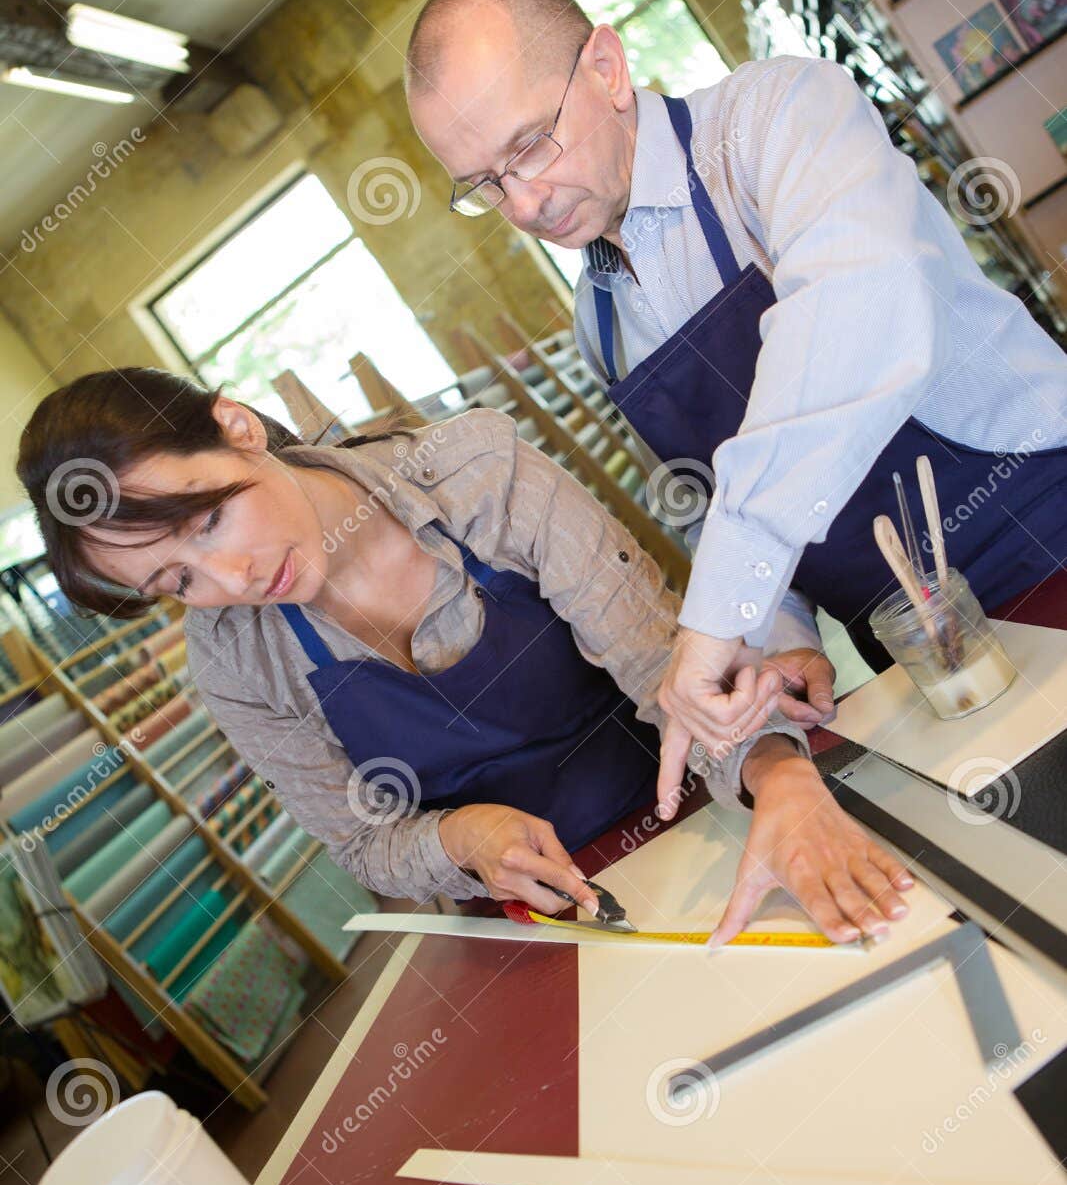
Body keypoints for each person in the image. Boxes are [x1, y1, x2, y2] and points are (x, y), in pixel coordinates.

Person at [405, 0, 1067, 813]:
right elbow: (708, 498)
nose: (524, 203)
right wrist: (777, 636)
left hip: (1041, 527)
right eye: (484, 185)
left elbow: (853, 322)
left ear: (605, 68)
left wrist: (716, 613)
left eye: (529, 146)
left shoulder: (778, 118)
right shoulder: (600, 323)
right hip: (906, 646)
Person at [17, 369, 913, 944]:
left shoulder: (479, 478)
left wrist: (776, 778)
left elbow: (657, 663)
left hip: (703, 820)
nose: (233, 579)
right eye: (177, 581)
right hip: (548, 923)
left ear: (238, 428)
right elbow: (362, 838)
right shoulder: (234, 663)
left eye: (210, 520)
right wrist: (458, 838)